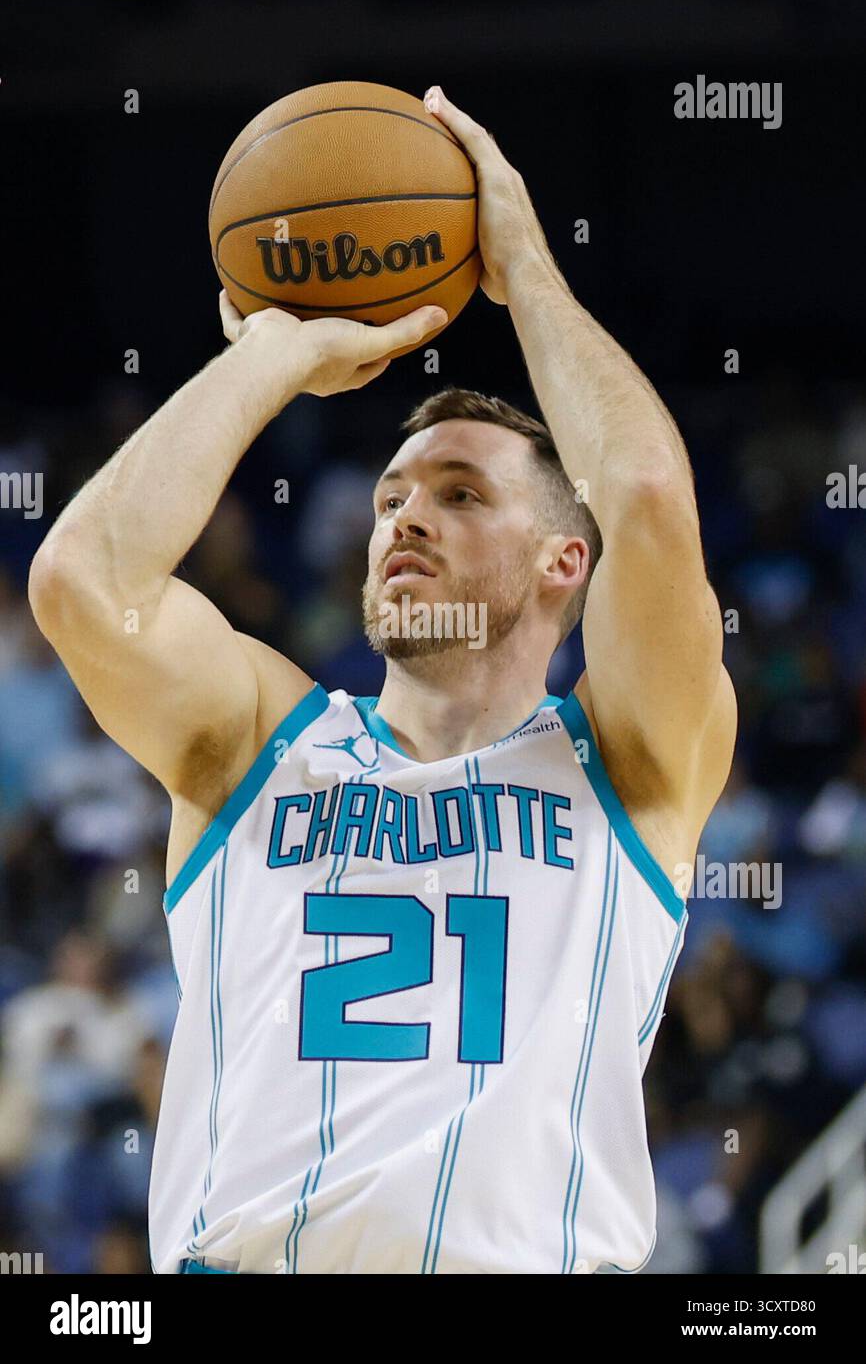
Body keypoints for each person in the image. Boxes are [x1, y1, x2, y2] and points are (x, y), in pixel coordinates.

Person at [28, 86, 736, 1274]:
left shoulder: (630, 758)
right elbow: (82, 582)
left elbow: (651, 505)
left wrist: (526, 278)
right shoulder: (258, 736)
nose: (407, 517)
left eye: (461, 493)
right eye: (391, 497)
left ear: (567, 559)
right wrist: (269, 355)